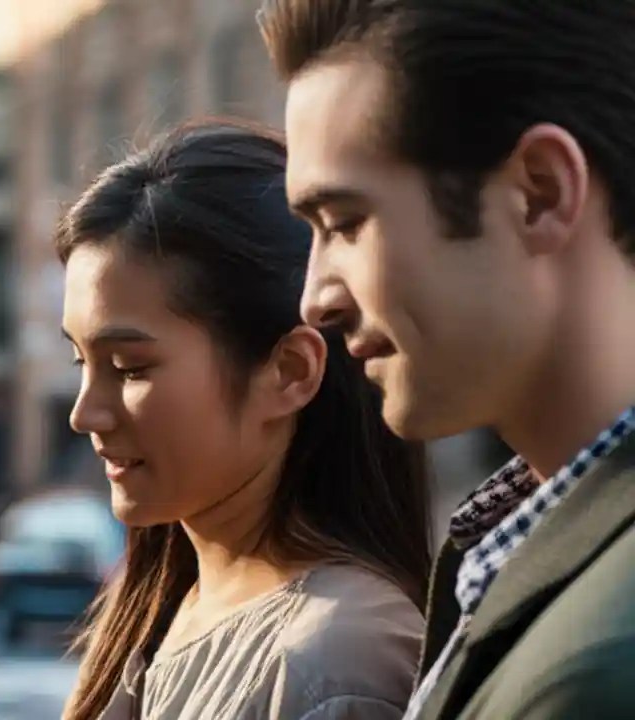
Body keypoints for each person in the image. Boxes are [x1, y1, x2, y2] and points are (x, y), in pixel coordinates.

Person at [0, 121, 436, 719]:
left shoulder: (343, 660)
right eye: (81, 362)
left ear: (289, 371)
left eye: (130, 366)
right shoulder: (160, 608)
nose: (85, 414)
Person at [257, 1, 635, 717]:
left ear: (538, 193)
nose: (315, 300)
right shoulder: (521, 561)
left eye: (344, 223)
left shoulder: (597, 670)